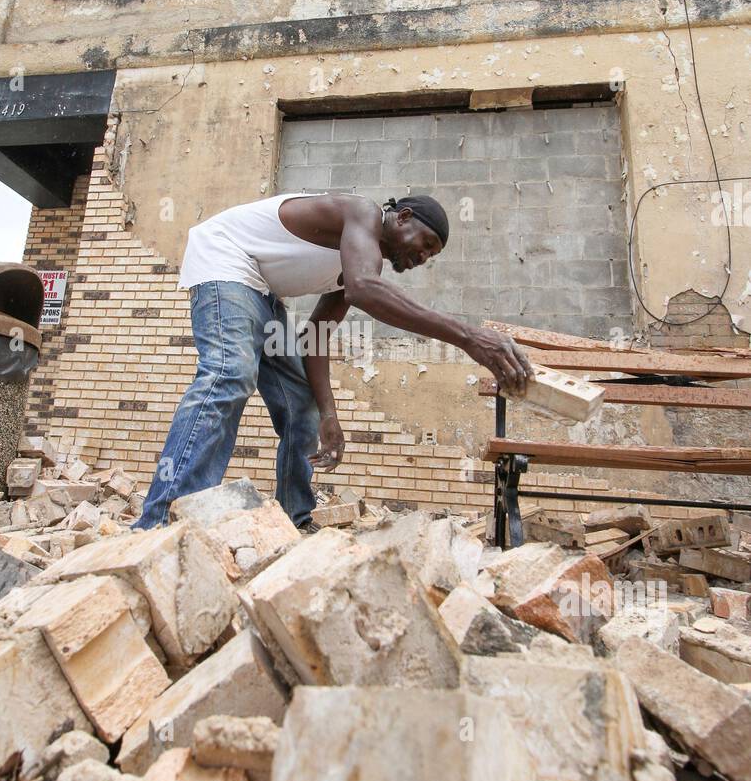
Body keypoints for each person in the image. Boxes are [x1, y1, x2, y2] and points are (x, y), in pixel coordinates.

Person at [134, 190, 531, 530]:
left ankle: (294, 517)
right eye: (425, 243)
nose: (423, 257)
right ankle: (163, 518)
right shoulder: (362, 213)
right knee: (230, 374)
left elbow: (315, 338)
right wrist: (467, 337)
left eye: (431, 255)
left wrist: (329, 414)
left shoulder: (356, 268)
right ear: (403, 217)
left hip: (260, 289)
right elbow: (365, 291)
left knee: (301, 405)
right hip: (225, 259)